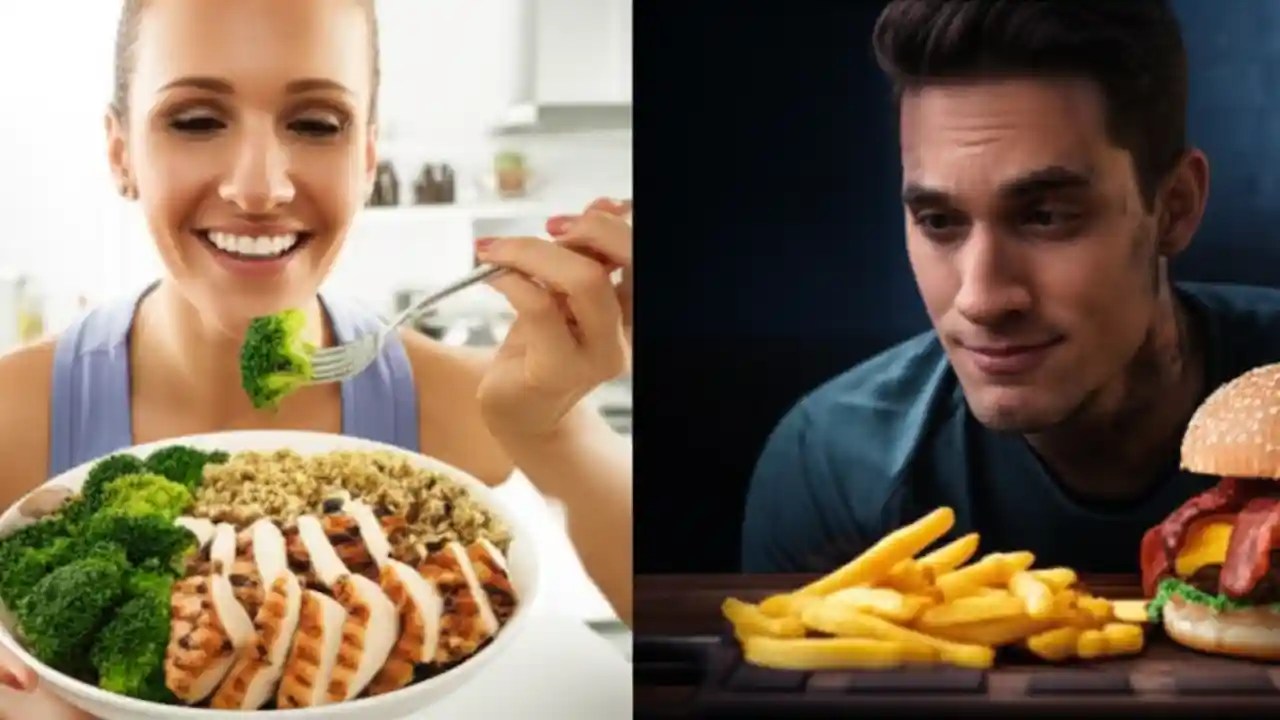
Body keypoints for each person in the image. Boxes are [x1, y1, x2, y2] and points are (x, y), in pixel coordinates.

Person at [0, 0, 632, 716]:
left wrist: (555, 431)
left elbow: (701, 614)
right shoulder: (14, 411)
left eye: (315, 124)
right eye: (197, 120)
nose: (259, 187)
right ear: (121, 153)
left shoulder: (468, 397)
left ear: (367, 156)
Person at [742, 0, 1280, 575]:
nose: (981, 299)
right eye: (939, 221)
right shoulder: (834, 468)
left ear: (1174, 207)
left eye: (1046, 216)